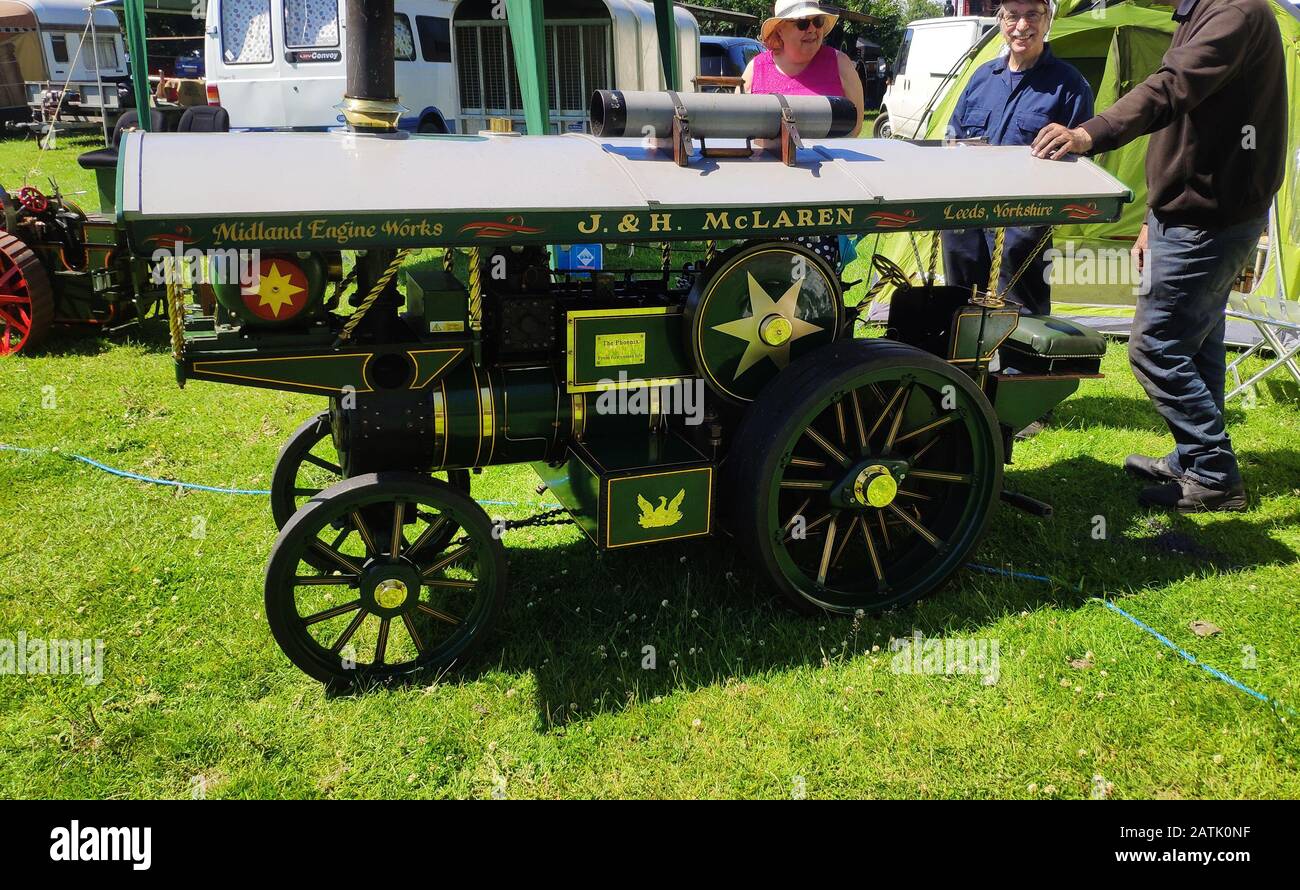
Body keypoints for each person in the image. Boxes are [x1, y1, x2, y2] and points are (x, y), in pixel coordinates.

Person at [1031, 0, 1286, 512]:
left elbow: (1171, 87)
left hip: (1210, 218)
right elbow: (1189, 125)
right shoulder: (1204, 12)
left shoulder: (1234, 12)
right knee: (1199, 345)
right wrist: (1154, 215)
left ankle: (1213, 474)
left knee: (1156, 347)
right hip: (1196, 212)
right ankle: (1194, 458)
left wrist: (1088, 132)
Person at [941, 0, 1093, 317]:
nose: (1022, 26)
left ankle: (1014, 368)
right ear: (1001, 22)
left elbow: (1082, 160)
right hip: (965, 218)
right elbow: (952, 140)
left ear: (1048, 20)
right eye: (1013, 16)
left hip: (1024, 223)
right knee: (958, 308)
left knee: (1018, 315)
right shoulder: (981, 78)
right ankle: (962, 368)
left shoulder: (1070, 85)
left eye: (1032, 15)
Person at [743, 1, 867, 270]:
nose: (812, 29)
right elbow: (739, 131)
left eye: (817, 22)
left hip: (822, 200)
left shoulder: (841, 64)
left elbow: (855, 126)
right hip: (765, 200)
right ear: (780, 31)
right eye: (802, 23)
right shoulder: (755, 69)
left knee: (815, 286)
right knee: (759, 276)